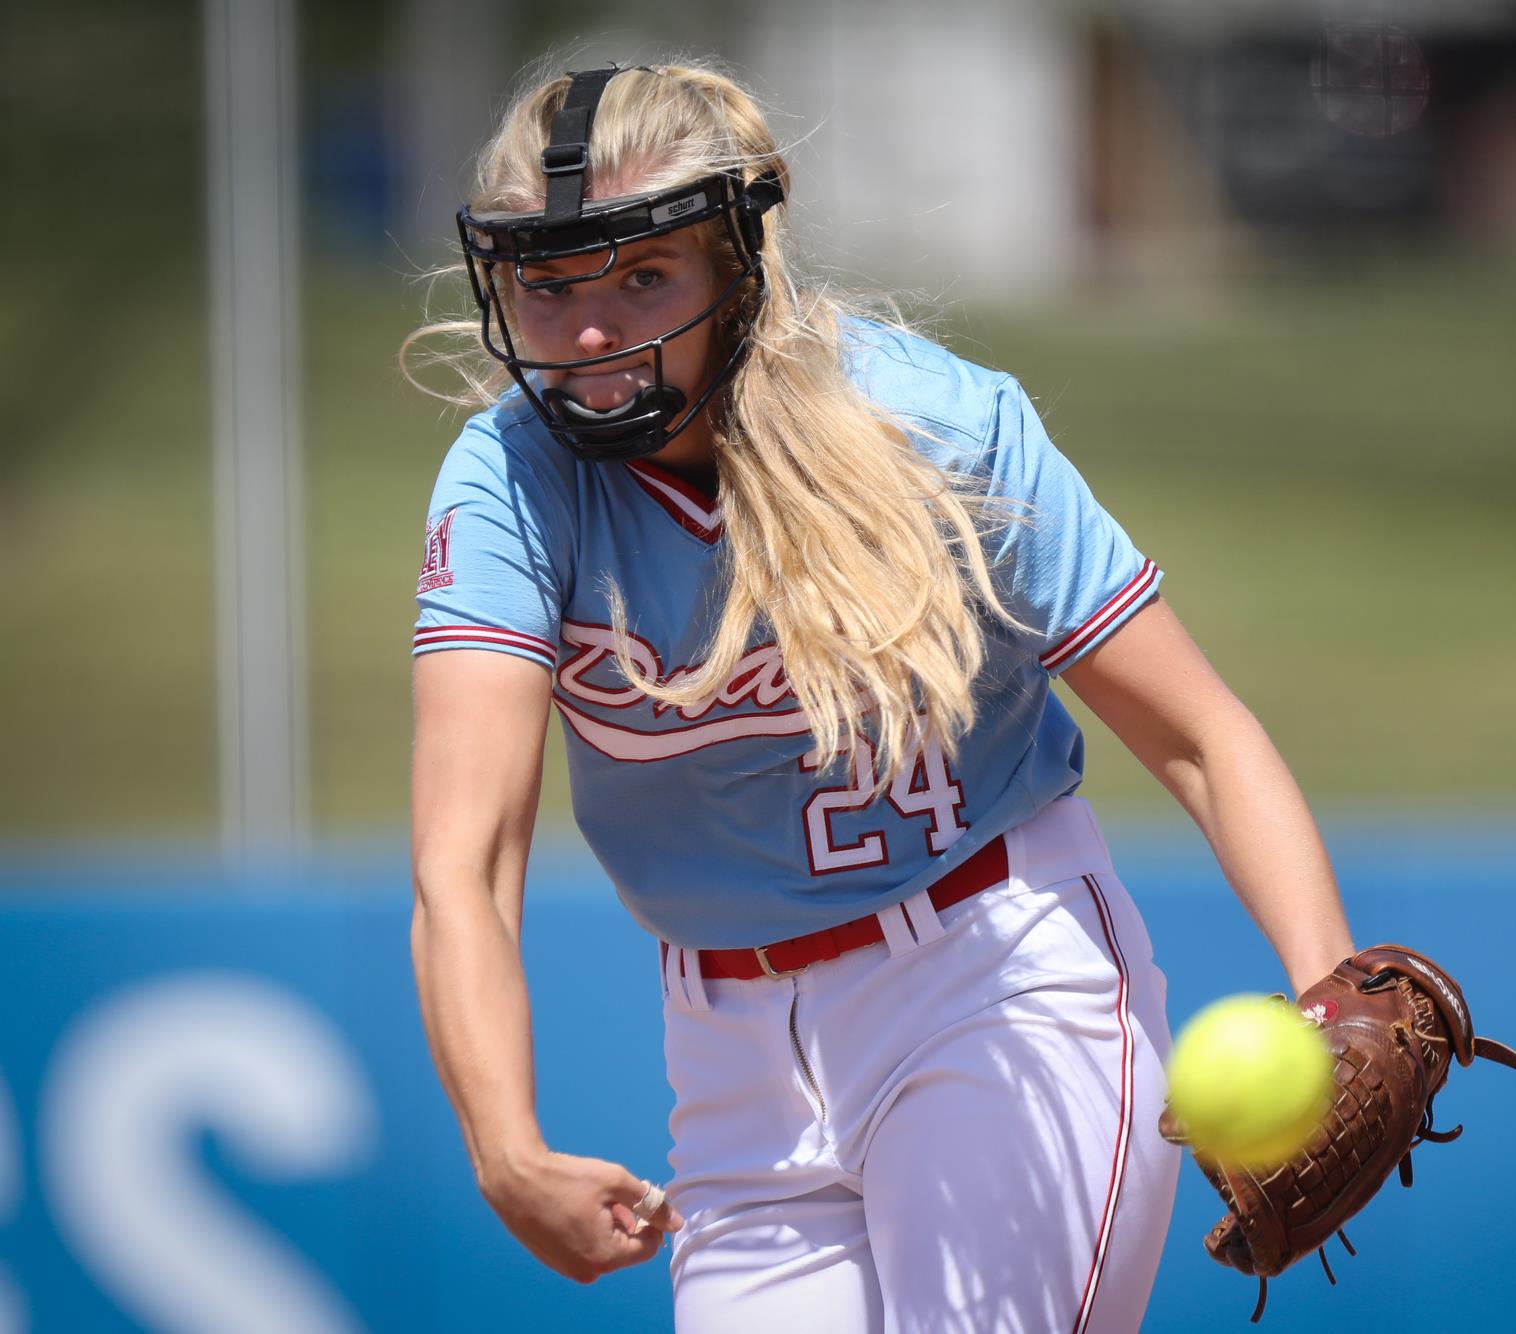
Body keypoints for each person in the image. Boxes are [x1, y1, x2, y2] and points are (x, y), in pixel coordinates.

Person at [404, 59, 1358, 1332]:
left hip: (993, 985)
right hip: (731, 1052)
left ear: (738, 265)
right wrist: (503, 1145)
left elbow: (1197, 736)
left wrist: (1332, 988)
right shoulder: (506, 484)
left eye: (643, 274)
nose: (589, 330)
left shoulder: (930, 425)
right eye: (548, 280)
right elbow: (464, 863)